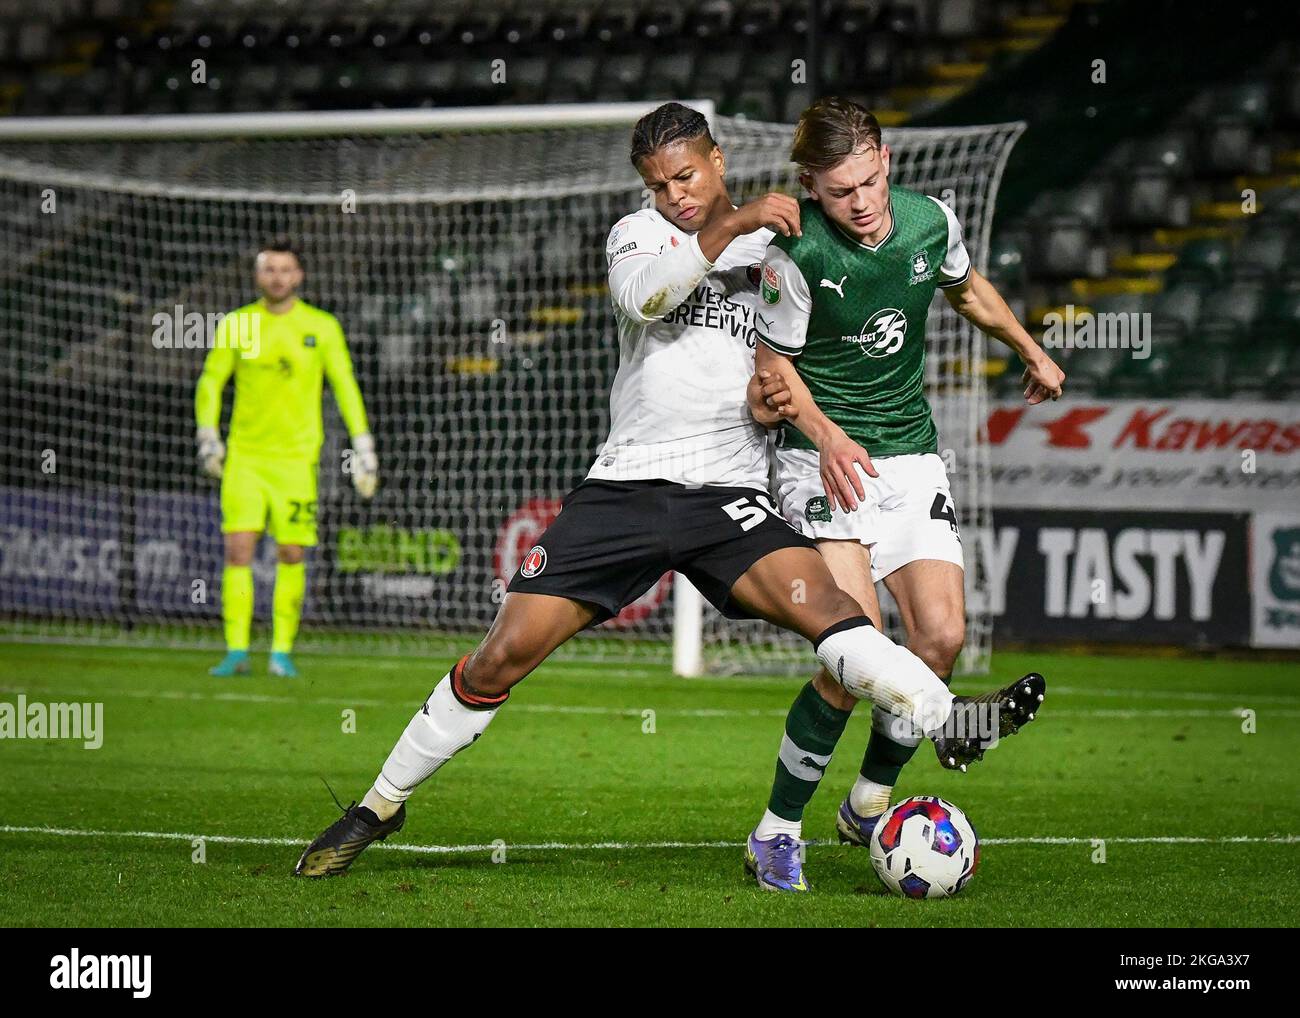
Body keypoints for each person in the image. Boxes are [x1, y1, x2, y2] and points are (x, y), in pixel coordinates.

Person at [294, 104, 1042, 887]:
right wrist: (734, 223)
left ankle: (944, 720)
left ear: (717, 159)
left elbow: (789, 363)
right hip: (625, 489)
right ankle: (380, 805)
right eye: (659, 184)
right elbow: (645, 300)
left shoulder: (785, 248)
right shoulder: (638, 235)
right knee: (500, 657)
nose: (676, 194)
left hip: (728, 498)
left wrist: (782, 408)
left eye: (686, 175)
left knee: (839, 618)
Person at [745, 98, 1061, 885]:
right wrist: (827, 438)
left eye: (867, 181)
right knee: (858, 645)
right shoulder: (795, 256)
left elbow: (969, 290)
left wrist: (1031, 349)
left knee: (942, 638)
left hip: (910, 457)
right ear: (811, 185)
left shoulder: (929, 222)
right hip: (821, 460)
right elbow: (772, 372)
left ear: (885, 159)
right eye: (839, 190)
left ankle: (867, 805)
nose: (859, 202)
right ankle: (778, 829)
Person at [194, 241, 378, 678]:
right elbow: (210, 381)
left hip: (297, 462)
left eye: (285, 270)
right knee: (237, 549)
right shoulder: (239, 324)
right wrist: (208, 436)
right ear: (258, 277)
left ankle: (280, 651)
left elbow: (346, 386)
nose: (278, 277)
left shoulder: (322, 326)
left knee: (291, 551)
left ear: (299, 276)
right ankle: (237, 650)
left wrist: (364, 444)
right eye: (269, 269)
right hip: (245, 458)